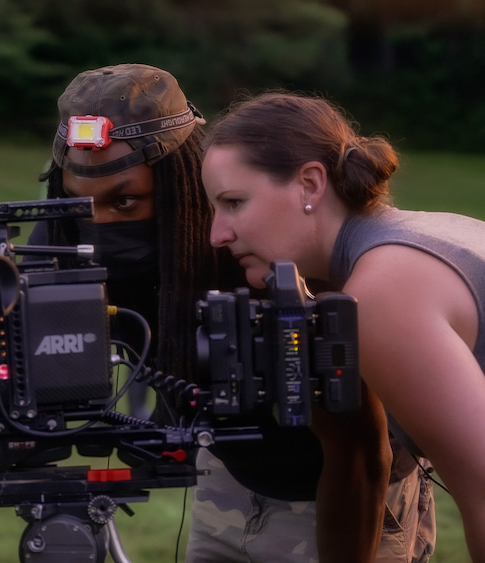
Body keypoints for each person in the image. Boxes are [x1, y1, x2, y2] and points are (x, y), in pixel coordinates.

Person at [34, 63, 436, 562]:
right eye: (81, 205)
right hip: (226, 480)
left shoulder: (264, 255)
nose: (98, 227)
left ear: (179, 186)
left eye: (126, 202)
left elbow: (360, 453)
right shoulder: (73, 239)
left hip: (343, 495)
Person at [201, 90, 485, 563]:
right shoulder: (414, 237)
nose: (217, 234)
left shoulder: (382, 291)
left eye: (235, 202)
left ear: (309, 184)